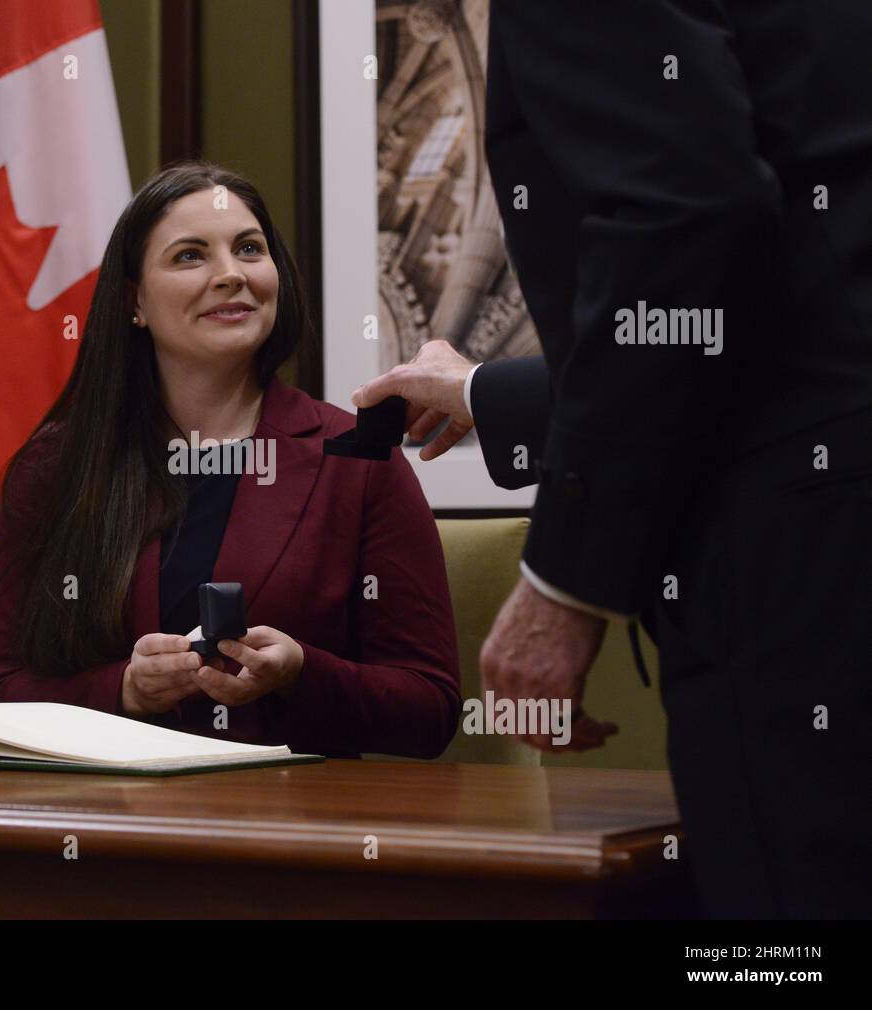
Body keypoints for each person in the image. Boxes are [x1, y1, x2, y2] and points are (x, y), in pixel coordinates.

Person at [354, 2, 872, 918]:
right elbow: (794, 304)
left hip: (802, 576)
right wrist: (490, 395)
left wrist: (565, 585)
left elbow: (687, 222)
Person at [0, 161, 461, 760]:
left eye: (249, 249)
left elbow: (430, 710)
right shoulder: (55, 467)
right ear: (134, 301)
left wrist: (302, 673)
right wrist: (124, 690)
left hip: (293, 811)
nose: (231, 274)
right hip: (108, 810)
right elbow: (0, 696)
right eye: (190, 256)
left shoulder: (357, 459)